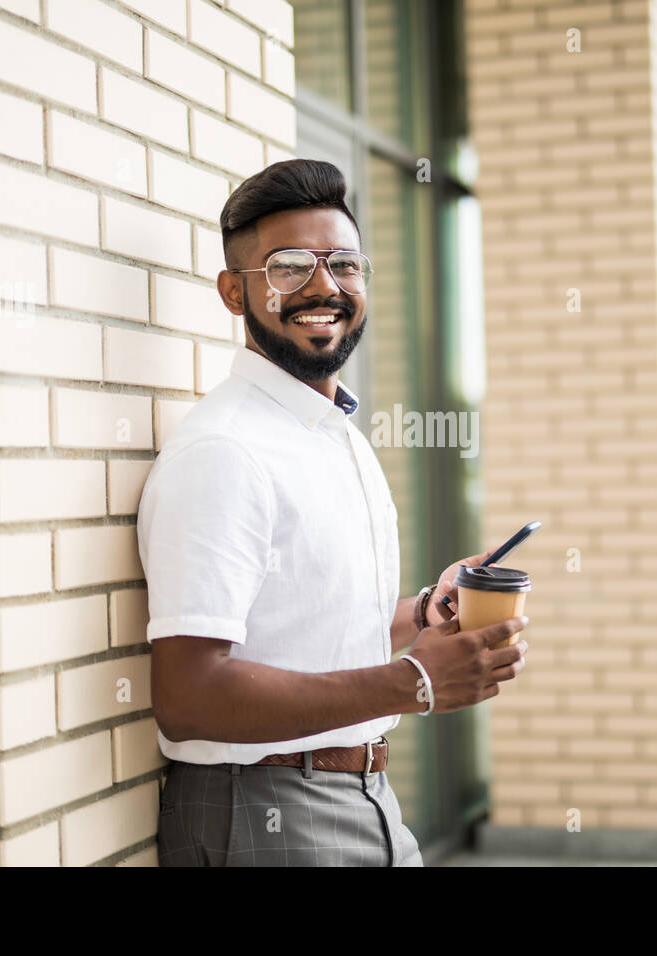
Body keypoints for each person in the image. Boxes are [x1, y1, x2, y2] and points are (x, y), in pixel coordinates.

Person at [136, 158, 530, 867]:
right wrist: (414, 680)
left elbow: (303, 636)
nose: (324, 286)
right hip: (263, 812)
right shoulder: (225, 450)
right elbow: (189, 695)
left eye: (343, 263)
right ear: (234, 292)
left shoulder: (333, 435)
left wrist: (420, 615)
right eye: (288, 267)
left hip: (365, 797)